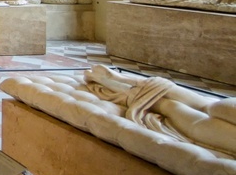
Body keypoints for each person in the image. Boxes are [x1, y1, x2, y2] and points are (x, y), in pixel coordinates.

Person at [85, 65, 236, 158]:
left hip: (209, 130)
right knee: (201, 106)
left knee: (169, 106)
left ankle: (117, 81)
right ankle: (122, 81)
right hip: (211, 126)